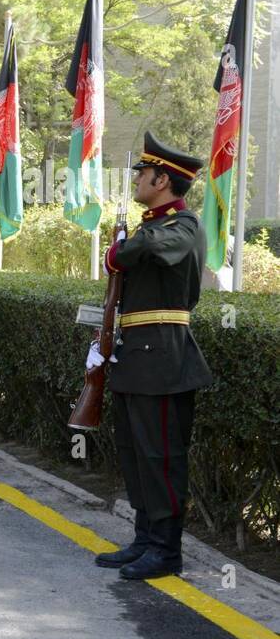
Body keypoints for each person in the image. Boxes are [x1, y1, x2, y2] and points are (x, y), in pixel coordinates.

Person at [94, 132, 212, 581]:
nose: (137, 179)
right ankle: (144, 539)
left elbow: (156, 249)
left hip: (164, 355)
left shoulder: (183, 225)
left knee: (161, 456)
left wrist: (119, 249)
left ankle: (166, 551)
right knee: (135, 453)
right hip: (136, 355)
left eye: (142, 173)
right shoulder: (150, 227)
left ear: (163, 180)